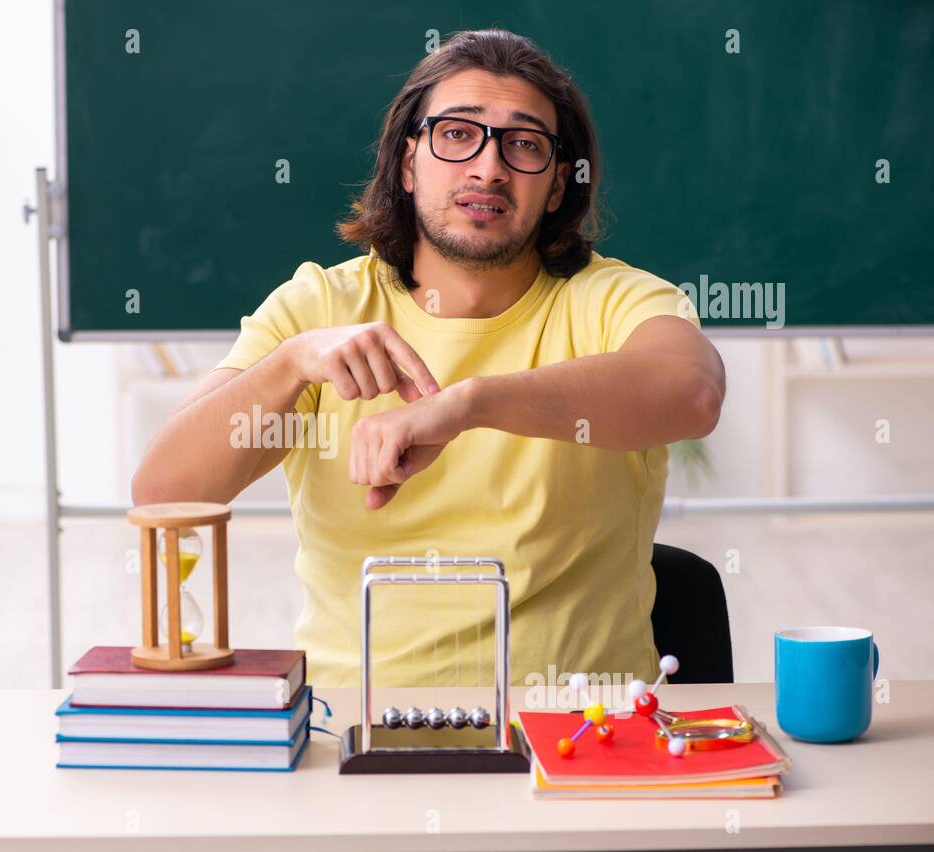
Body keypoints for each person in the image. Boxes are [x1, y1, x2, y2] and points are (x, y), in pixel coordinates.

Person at [132, 29, 725, 697]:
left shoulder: (613, 299)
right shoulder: (319, 307)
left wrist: (467, 404)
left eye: (524, 144)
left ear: (559, 186)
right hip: (350, 736)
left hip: (580, 744)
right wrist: (290, 363)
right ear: (408, 163)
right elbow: (163, 490)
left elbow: (693, 393)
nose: (487, 168)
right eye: (456, 135)